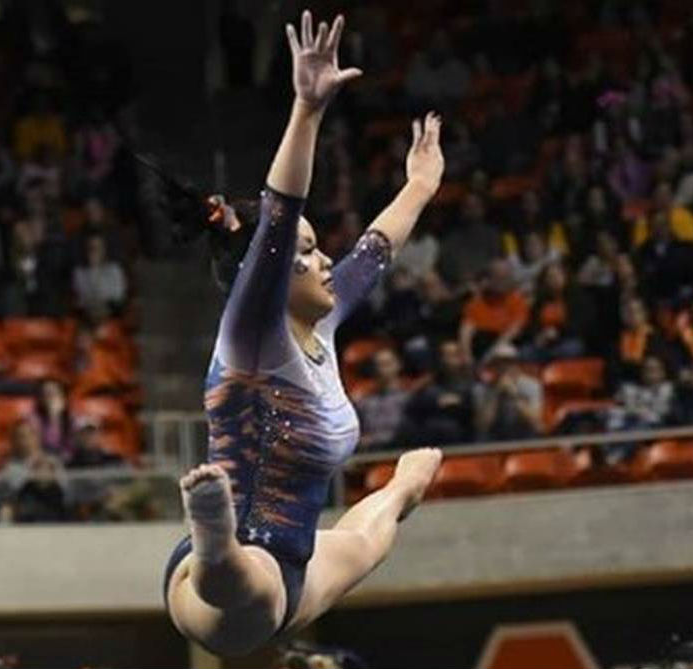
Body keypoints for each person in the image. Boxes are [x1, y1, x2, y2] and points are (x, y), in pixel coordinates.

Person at [165, 12, 444, 657]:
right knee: (246, 595)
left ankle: (403, 485)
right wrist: (308, 109)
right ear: (269, 275)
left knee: (372, 535)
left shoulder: (320, 320)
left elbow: (375, 251)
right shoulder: (253, 336)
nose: (325, 262)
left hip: (298, 566)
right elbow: (280, 212)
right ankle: (214, 542)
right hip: (226, 581)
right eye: (307, 253)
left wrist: (421, 187)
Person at [458, 259, 529, 363]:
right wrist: (466, 355)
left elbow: (514, 330)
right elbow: (466, 330)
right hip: (481, 343)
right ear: (489, 279)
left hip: (504, 344)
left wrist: (491, 353)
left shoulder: (517, 301)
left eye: (506, 277)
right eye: (498, 278)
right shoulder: (477, 302)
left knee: (504, 352)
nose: (503, 282)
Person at [353, 348, 412, 451]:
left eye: (387, 364)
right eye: (379, 365)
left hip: (400, 448)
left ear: (398, 365)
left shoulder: (409, 397)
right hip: (371, 453)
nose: (382, 369)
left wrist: (375, 439)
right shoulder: (364, 401)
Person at [29, 378, 77, 464]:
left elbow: (73, 447)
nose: (50, 398)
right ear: (40, 399)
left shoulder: (73, 418)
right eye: (45, 394)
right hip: (42, 464)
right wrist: (53, 417)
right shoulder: (33, 419)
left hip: (71, 463)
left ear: (63, 397)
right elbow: (36, 447)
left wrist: (57, 417)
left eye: (53, 394)